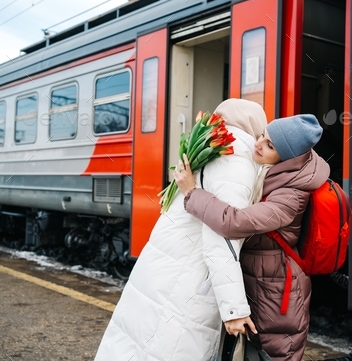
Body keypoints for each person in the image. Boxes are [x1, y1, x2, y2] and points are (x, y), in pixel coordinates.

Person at [94, 99, 266, 361]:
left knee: (137, 345)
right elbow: (221, 240)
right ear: (254, 127)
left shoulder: (211, 153)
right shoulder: (236, 162)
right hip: (186, 283)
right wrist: (234, 309)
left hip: (164, 273)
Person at [174, 114, 331, 361]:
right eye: (262, 136)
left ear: (287, 158)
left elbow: (234, 222)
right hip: (265, 283)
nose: (258, 144)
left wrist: (192, 193)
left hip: (278, 294)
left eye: (270, 145)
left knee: (276, 354)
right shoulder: (275, 174)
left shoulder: (290, 197)